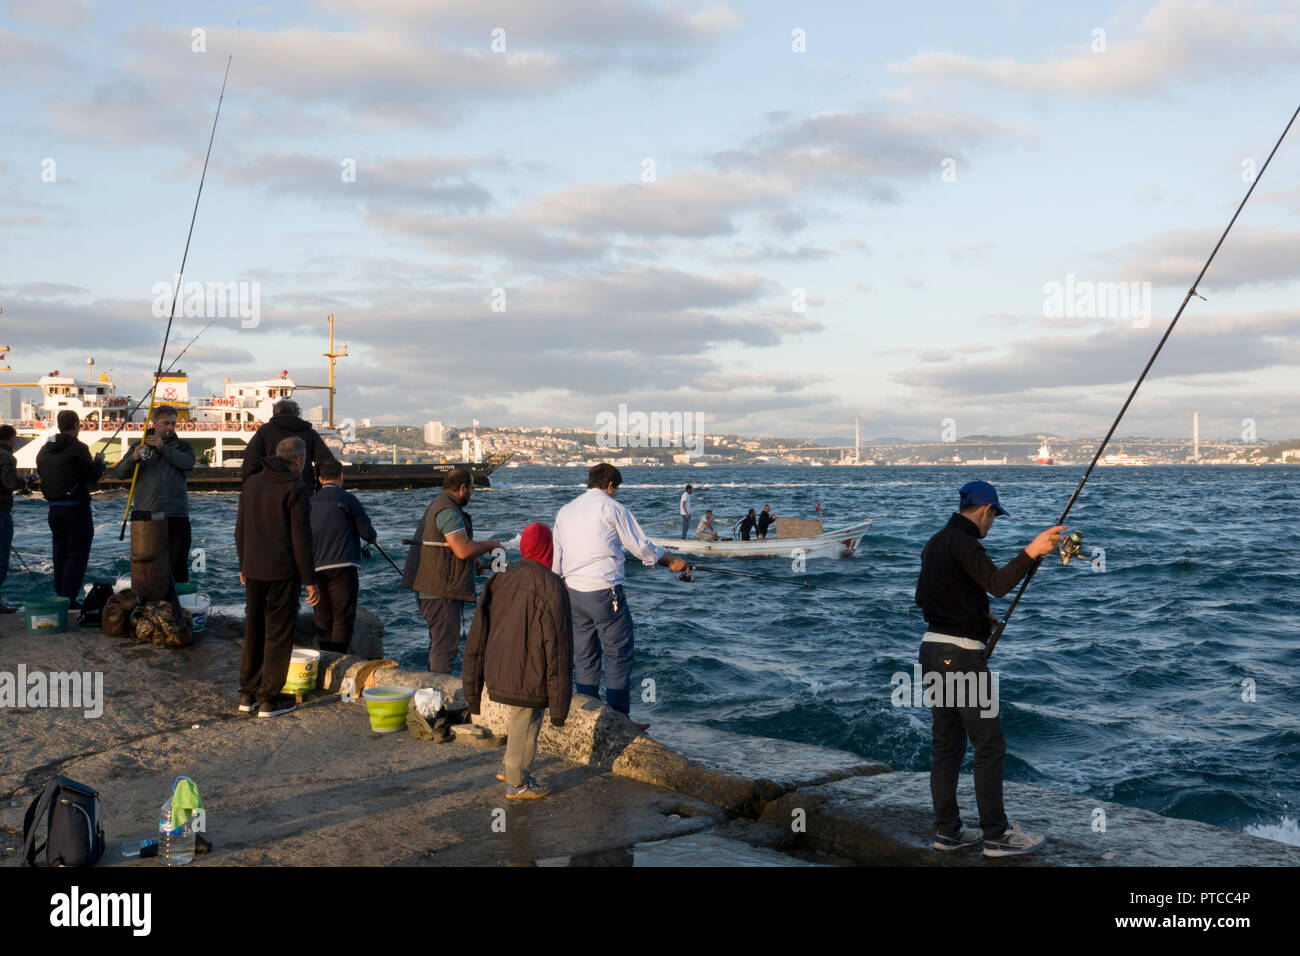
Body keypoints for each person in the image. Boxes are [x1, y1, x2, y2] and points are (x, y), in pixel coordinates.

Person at [914, 479, 1064, 857]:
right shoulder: (966, 543)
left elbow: (925, 596)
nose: (992, 523)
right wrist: (1033, 550)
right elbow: (997, 583)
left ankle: (947, 832)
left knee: (946, 745)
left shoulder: (935, 542)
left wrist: (979, 616)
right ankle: (996, 835)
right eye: (994, 516)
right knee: (989, 745)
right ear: (985, 511)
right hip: (961, 657)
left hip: (932, 650)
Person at [552, 463, 689, 725]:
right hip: (605, 592)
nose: (616, 494)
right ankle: (618, 722)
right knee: (618, 655)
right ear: (611, 486)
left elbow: (556, 563)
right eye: (616, 490)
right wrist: (671, 560)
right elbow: (641, 548)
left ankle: (586, 718)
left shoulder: (565, 511)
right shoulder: (612, 508)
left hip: (573, 593)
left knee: (585, 656)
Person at [463, 522, 573, 800]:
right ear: (548, 550)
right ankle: (517, 782)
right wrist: (560, 709)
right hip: (529, 667)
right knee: (528, 715)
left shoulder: (500, 577)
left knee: (520, 714)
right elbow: (558, 646)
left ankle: (509, 766)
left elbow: (478, 632)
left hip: (498, 665)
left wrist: (473, 689)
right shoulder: (551, 584)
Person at [235, 436, 319, 718]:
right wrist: (309, 579)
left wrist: (243, 564)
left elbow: (240, 529)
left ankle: (247, 693)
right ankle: (270, 698)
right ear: (298, 461)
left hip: (254, 569)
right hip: (282, 571)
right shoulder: (295, 487)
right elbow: (301, 538)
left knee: (254, 629)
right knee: (279, 633)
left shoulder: (252, 483)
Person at [401, 468, 502, 674]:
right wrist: (491, 544)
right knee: (444, 647)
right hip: (441, 591)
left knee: (439, 641)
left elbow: (448, 547)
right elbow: (462, 549)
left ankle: (433, 692)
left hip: (432, 587)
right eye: (471, 487)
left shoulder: (440, 504)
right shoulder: (448, 511)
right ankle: (439, 699)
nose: (472, 492)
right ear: (463, 487)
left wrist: (476, 563)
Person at [112, 406, 195, 584]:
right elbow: (120, 473)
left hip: (176, 514)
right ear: (154, 423)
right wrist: (132, 458)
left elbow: (187, 463)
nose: (170, 428)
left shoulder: (183, 446)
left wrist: (163, 447)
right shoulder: (139, 445)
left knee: (178, 563)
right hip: (147, 515)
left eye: (173, 424)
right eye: (166, 423)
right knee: (148, 563)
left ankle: (176, 606)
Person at [35, 411, 105, 608]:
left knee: (60, 555)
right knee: (77, 555)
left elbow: (42, 470)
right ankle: (68, 600)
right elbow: (92, 476)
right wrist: (99, 461)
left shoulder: (45, 449)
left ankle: (61, 597)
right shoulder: (79, 447)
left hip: (54, 510)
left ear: (59, 425)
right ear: (76, 425)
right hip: (76, 509)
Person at [310, 459, 376, 654]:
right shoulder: (348, 499)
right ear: (341, 476)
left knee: (322, 617)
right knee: (342, 617)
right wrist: (371, 537)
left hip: (314, 568)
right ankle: (338, 659)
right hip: (343, 565)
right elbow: (367, 534)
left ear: (320, 479)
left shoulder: (308, 502)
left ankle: (324, 656)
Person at [240, 398, 337, 491]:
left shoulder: (265, 431)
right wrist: (319, 489)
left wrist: (251, 490)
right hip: (303, 491)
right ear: (297, 414)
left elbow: (250, 460)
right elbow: (327, 462)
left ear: (275, 413)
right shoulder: (310, 433)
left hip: (270, 490)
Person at [0, 425, 27, 613]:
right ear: (11, 439)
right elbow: (9, 483)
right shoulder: (7, 457)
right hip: (1, 512)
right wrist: (24, 482)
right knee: (1, 559)